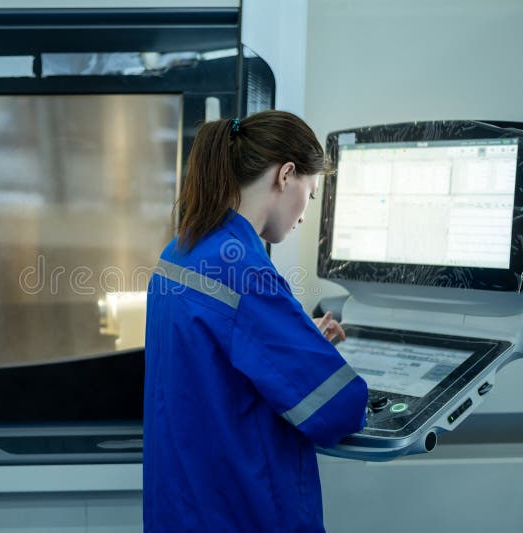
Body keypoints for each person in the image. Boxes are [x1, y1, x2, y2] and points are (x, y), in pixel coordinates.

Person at [142, 110, 368, 532]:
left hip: (183, 510)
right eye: (311, 193)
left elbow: (214, 367)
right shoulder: (244, 273)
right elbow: (339, 407)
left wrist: (302, 339)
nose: (304, 214)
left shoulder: (180, 253)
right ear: (285, 175)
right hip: (242, 514)